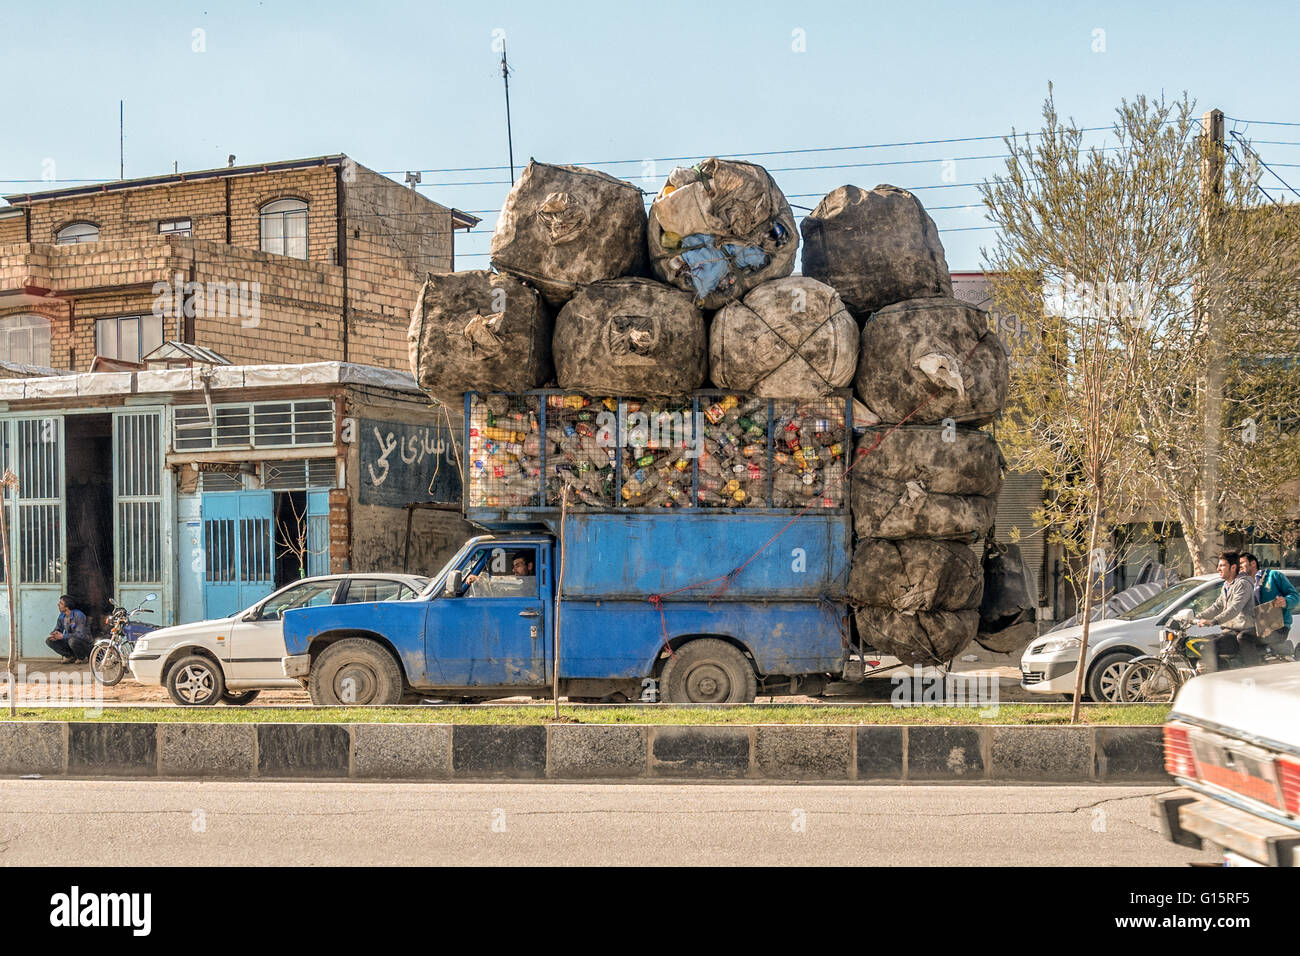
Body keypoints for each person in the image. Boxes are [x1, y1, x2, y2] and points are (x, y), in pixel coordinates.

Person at [1194, 551, 1257, 672]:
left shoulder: (1243, 584)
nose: (1218, 569)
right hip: (1229, 631)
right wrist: (1196, 617)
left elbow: (1234, 609)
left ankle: (1224, 676)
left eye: (1222, 565)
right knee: (1198, 644)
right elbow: (1217, 607)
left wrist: (1213, 621)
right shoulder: (1226, 585)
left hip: (1242, 630)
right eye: (1218, 565)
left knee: (1208, 648)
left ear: (1233, 567)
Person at [1240, 552, 1298, 657]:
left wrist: (1285, 601)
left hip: (1278, 628)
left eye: (1241, 563)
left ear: (1253, 563)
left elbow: (1295, 596)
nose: (1239, 567)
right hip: (1257, 627)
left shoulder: (1274, 576)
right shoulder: (1243, 584)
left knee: (1244, 637)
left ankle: (1253, 666)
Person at [46, 595, 91, 664]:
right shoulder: (62, 616)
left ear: (67, 607)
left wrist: (63, 636)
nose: (58, 605)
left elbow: (81, 635)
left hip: (84, 644)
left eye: (61, 603)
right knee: (49, 641)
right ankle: (70, 656)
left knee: (72, 641)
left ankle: (82, 658)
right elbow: (58, 629)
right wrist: (54, 634)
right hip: (70, 642)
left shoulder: (79, 615)